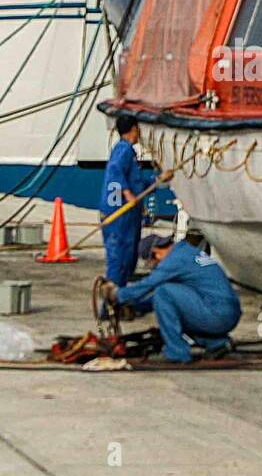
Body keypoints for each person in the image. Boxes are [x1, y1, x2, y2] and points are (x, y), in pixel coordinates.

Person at [102, 234, 242, 363]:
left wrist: (117, 294)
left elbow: (149, 285)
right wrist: (137, 307)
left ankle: (177, 353)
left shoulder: (174, 260)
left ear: (156, 252)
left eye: (153, 262)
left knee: (164, 293)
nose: (156, 266)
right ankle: (217, 343)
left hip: (217, 315)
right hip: (224, 312)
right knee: (168, 296)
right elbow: (176, 299)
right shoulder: (186, 252)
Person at [98, 114, 167, 288]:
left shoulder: (130, 153)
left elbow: (138, 183)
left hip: (129, 216)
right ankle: (112, 300)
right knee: (119, 257)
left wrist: (159, 179)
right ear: (134, 129)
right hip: (119, 215)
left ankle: (121, 295)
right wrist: (127, 193)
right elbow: (115, 171)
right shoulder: (124, 149)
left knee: (129, 258)